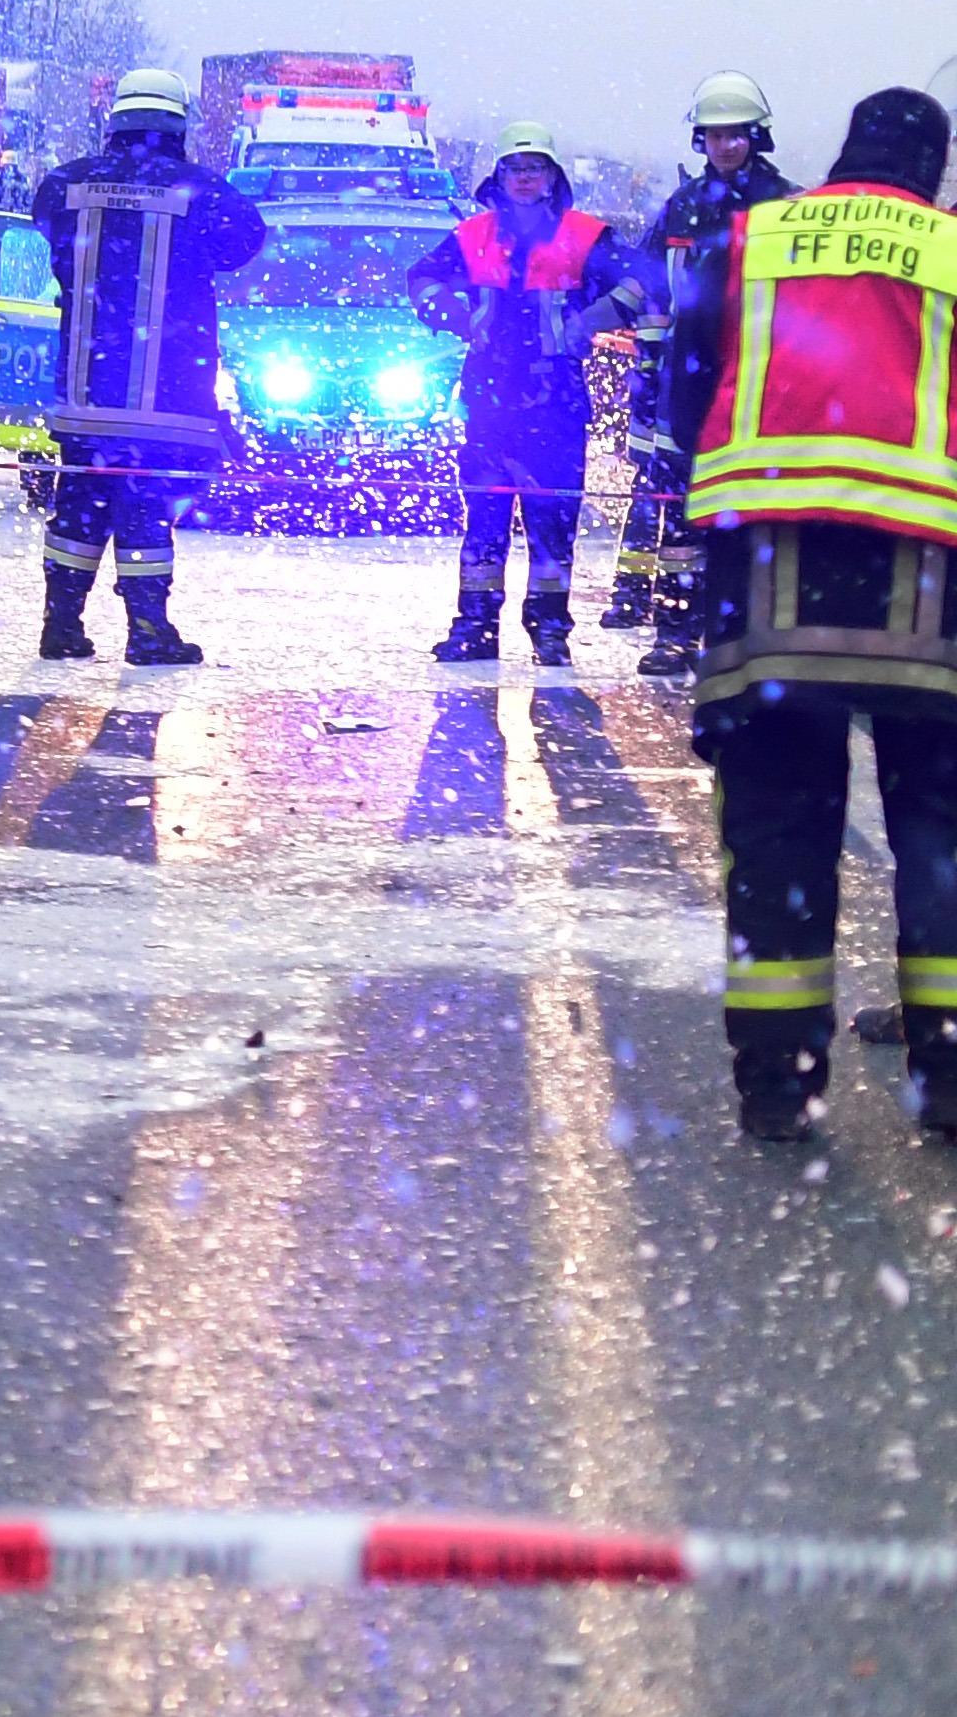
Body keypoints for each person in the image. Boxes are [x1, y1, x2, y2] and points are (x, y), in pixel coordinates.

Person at [659, 85, 957, 1144]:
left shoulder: (749, 238)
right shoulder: (952, 250)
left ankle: (779, 1084)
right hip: (935, 593)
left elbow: (688, 387)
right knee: (941, 833)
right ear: (932, 165)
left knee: (780, 831)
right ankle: (951, 1076)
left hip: (772, 582)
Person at [25, 63, 269, 663]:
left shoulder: (64, 185)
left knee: (78, 510)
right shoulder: (205, 192)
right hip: (166, 393)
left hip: (87, 388)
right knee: (145, 513)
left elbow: (50, 233)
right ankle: (148, 630)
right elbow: (244, 243)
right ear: (177, 124)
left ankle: (61, 625)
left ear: (116, 121)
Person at [407, 120, 620, 664]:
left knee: (553, 523)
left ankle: (550, 631)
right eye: (514, 168)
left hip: (556, 401)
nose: (524, 177)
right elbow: (422, 279)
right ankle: (475, 627)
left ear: (552, 176)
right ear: (499, 177)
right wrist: (458, 318)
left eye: (534, 167)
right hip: (490, 399)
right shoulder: (471, 234)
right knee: (485, 520)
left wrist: (587, 322)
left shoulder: (588, 235)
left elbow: (642, 284)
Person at [612, 71, 795, 675]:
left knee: (744, 513)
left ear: (756, 137)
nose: (725, 147)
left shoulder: (785, 206)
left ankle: (737, 639)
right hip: (684, 387)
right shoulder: (682, 207)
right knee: (683, 511)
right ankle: (673, 631)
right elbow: (642, 283)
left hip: (754, 384)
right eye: (714, 137)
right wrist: (584, 320)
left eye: (735, 136)